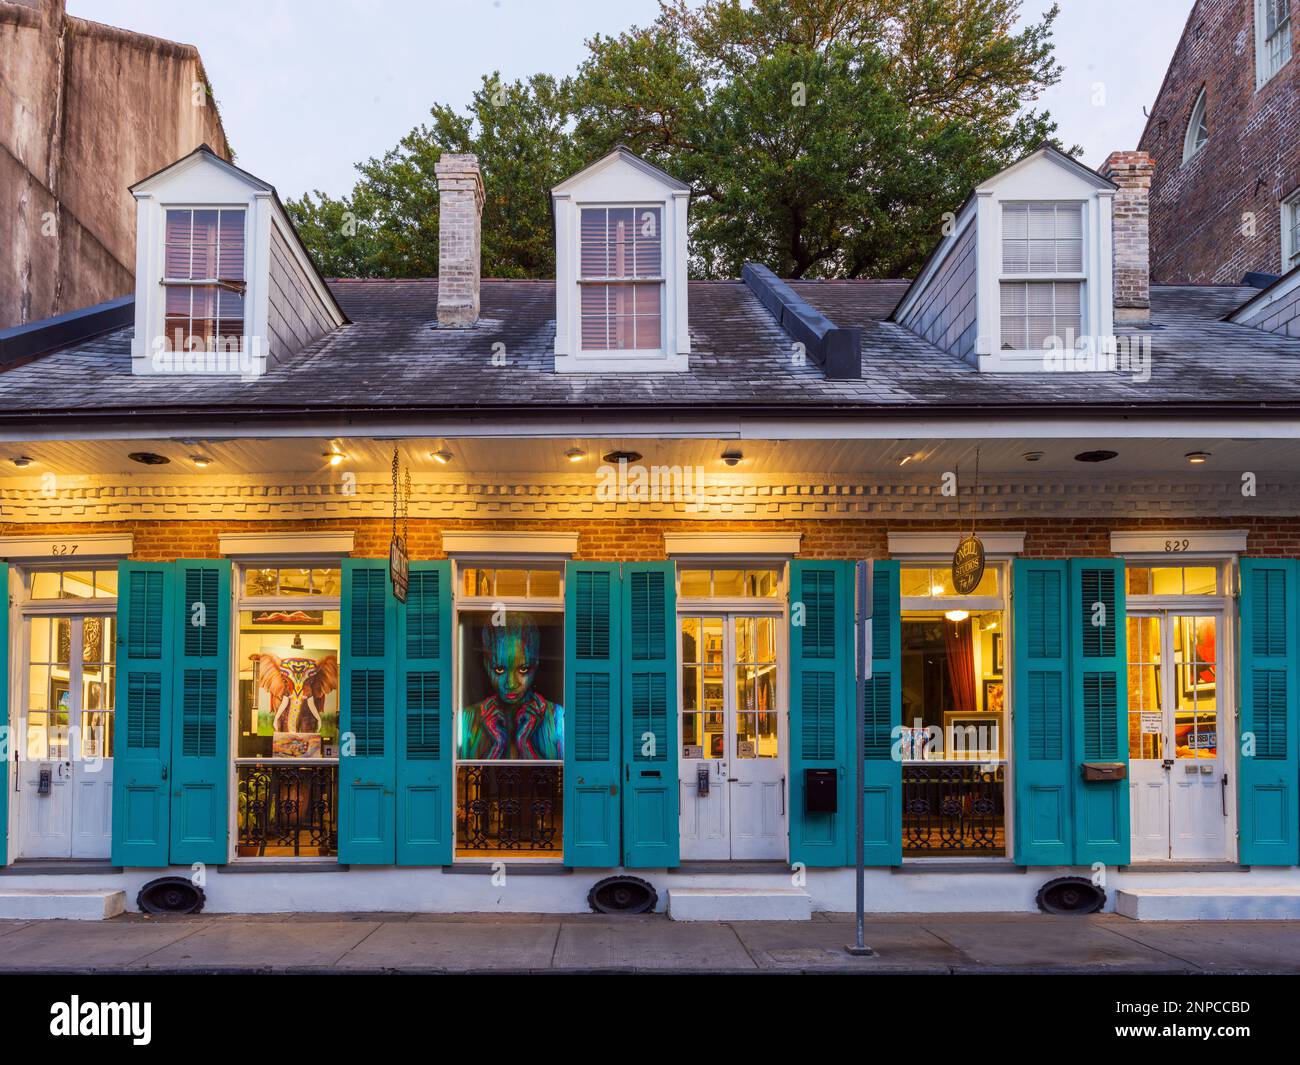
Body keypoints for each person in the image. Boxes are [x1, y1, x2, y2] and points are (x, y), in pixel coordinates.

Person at [460, 613, 563, 759]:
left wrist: (525, 745)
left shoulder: (558, 718)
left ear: (536, 664)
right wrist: (497, 746)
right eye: (499, 669)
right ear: (486, 665)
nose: (511, 683)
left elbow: (559, 780)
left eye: (523, 669)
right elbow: (463, 780)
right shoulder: (467, 720)